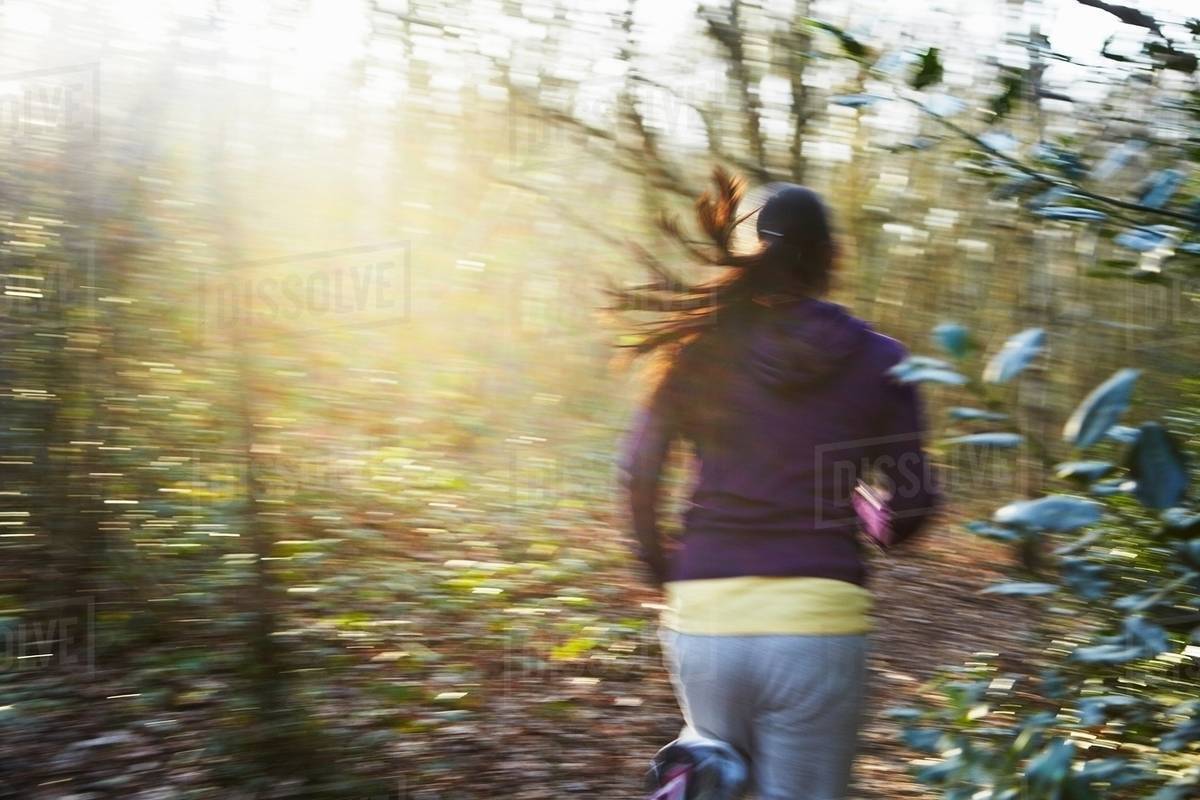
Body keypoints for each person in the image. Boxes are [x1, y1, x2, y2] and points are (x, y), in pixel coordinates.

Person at [615, 170, 938, 800]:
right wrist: (868, 513)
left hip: (704, 619)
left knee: (717, 784)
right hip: (815, 630)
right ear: (830, 261)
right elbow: (914, 503)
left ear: (751, 254)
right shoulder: (880, 361)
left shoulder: (697, 348)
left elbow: (636, 473)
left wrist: (666, 575)